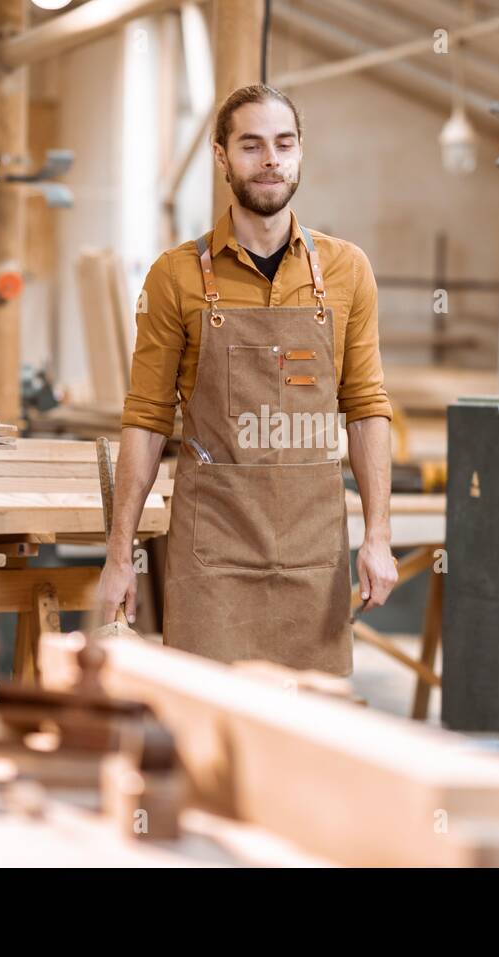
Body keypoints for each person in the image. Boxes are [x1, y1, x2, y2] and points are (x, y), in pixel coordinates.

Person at [96, 83, 397, 676]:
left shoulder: (347, 270)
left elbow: (366, 407)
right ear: (220, 156)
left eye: (283, 144)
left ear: (300, 153)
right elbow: (147, 417)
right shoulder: (174, 276)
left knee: (310, 731)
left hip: (315, 556)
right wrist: (119, 555)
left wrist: (378, 536)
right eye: (251, 145)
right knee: (205, 730)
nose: (270, 160)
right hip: (213, 559)